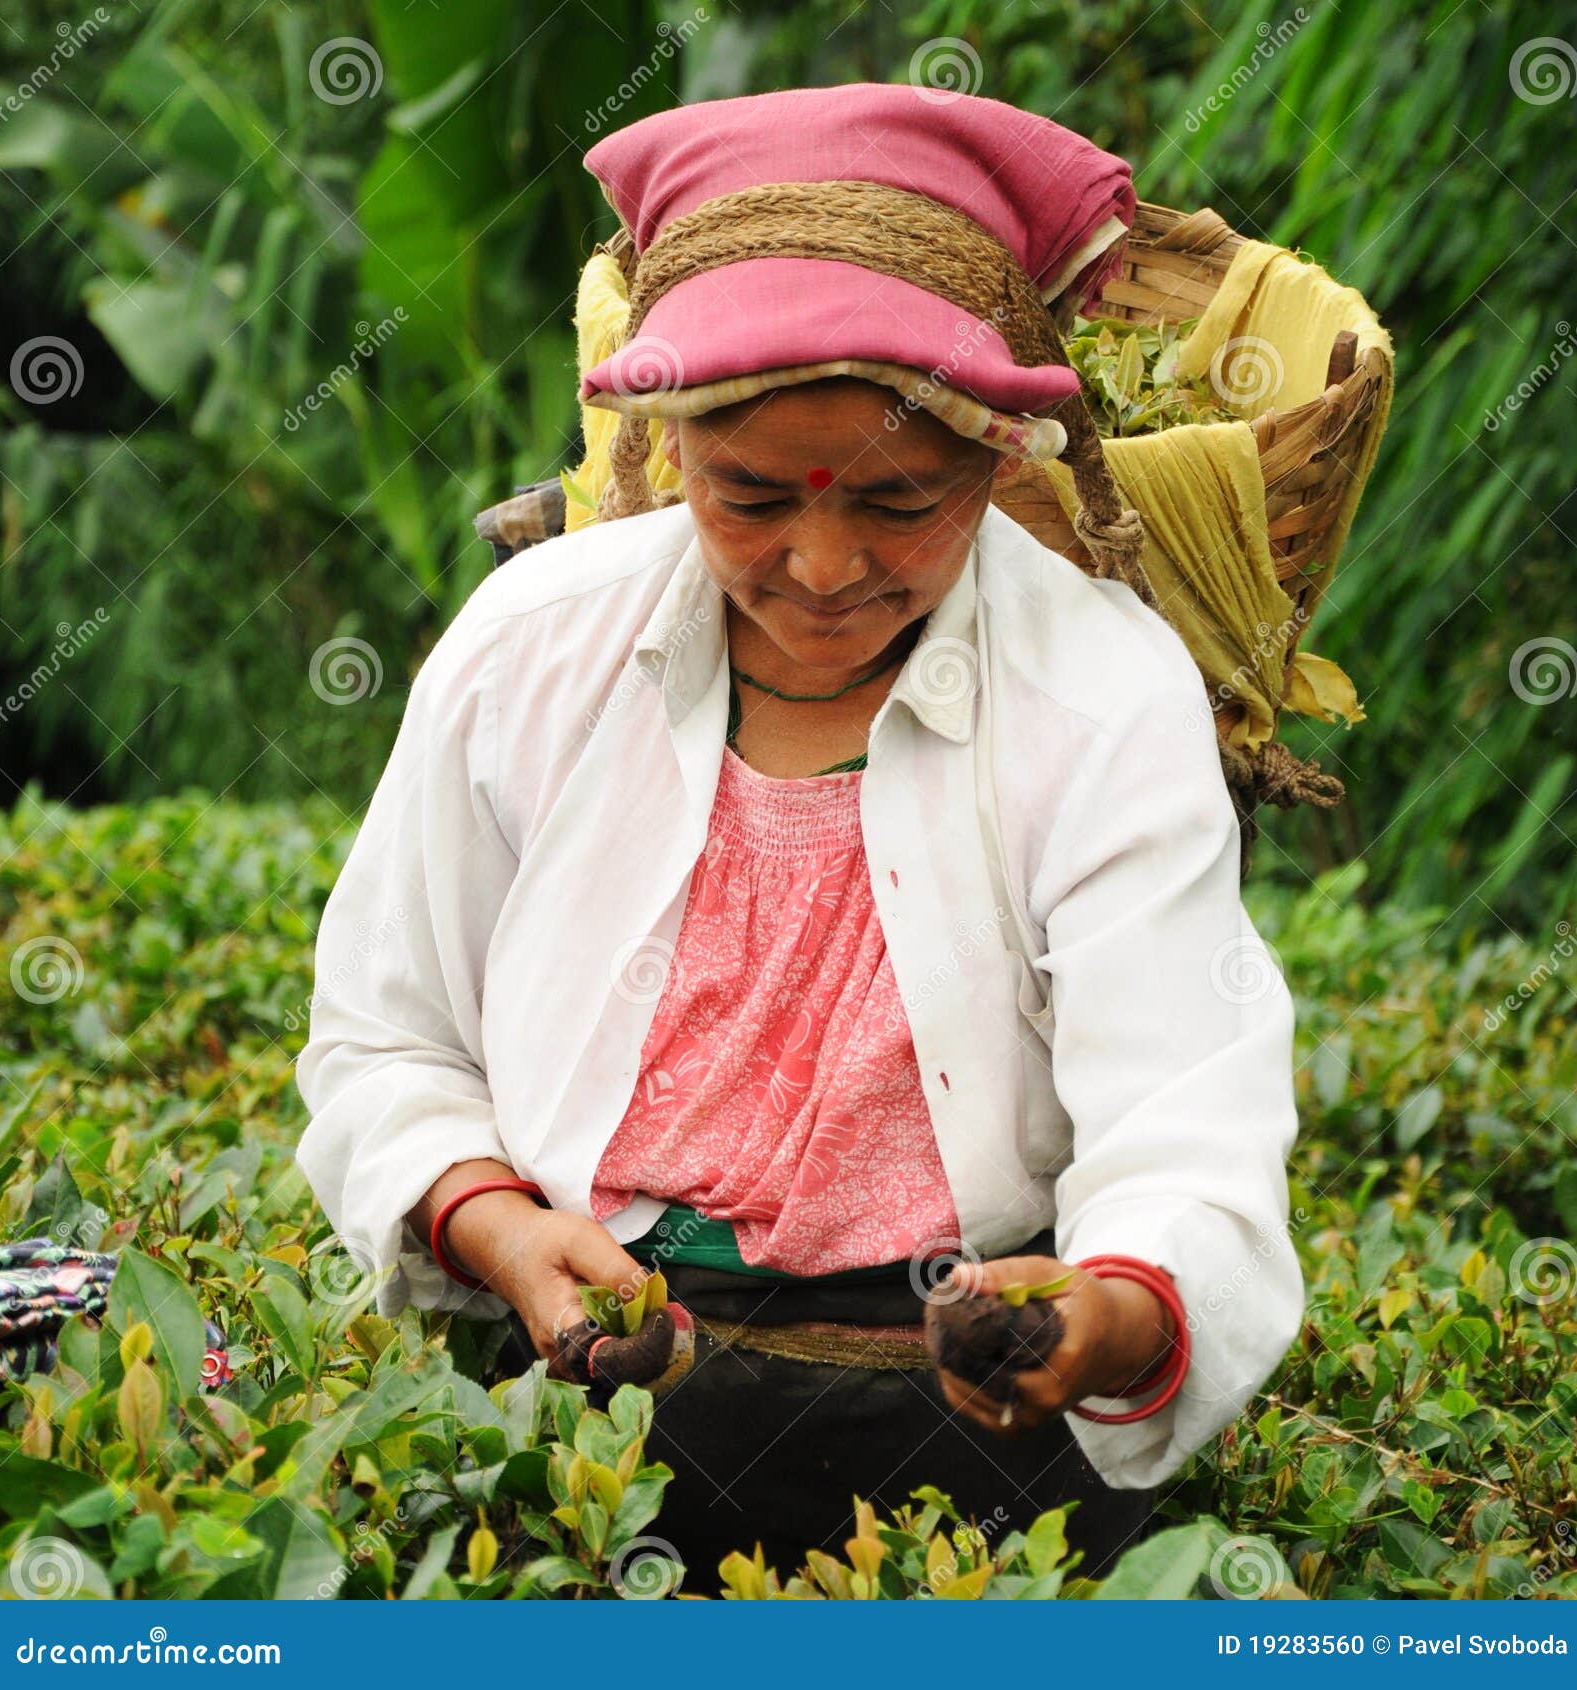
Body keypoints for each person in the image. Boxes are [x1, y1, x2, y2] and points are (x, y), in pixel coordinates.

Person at [295, 83, 1303, 1593]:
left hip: (975, 1443)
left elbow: (1185, 1115)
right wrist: (495, 1222)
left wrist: (1107, 1312)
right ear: (672, 446)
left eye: (900, 501)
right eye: (752, 495)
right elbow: (388, 1039)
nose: (823, 567)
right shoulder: (532, 648)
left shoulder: (1099, 694)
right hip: (584, 1413)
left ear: (995, 459)